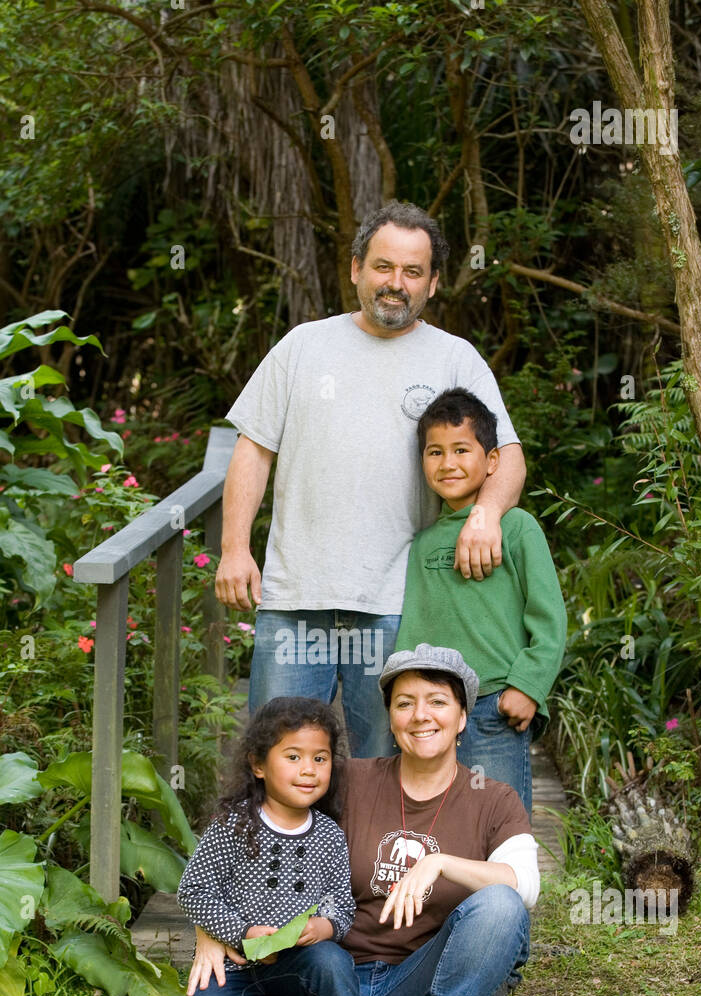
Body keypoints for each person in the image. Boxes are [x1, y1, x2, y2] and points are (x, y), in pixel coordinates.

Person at [21, 647, 538, 996]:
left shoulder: (492, 799)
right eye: (405, 702)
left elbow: (526, 886)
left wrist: (440, 863)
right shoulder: (350, 778)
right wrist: (213, 926)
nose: (420, 715)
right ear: (390, 716)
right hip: (326, 979)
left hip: (417, 982)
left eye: (437, 701)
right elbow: (259, 828)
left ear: (463, 715)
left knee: (500, 902)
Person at [215, 199, 527, 757]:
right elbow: (253, 450)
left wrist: (485, 514)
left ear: (432, 284)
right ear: (356, 268)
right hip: (294, 601)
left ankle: (372, 852)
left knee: (388, 770)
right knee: (278, 762)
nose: (395, 283)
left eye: (412, 272)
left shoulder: (455, 359)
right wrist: (234, 547)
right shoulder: (302, 347)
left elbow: (508, 455)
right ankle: (281, 851)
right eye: (383, 267)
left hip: (400, 606)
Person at [180, 697, 398, 996]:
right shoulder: (233, 825)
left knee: (335, 962)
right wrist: (239, 931)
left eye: (320, 758)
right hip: (234, 962)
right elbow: (194, 891)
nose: (308, 769)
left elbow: (342, 899)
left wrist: (327, 926)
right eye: (293, 756)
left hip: (296, 961)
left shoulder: (329, 835)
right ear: (258, 764)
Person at [394, 389, 567, 814]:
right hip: (433, 713)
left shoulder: (517, 527)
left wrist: (528, 686)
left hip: (494, 706)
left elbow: (550, 618)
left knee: (498, 823)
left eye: (461, 450)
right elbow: (414, 625)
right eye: (435, 452)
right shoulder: (423, 542)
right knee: (437, 822)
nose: (447, 463)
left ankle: (504, 886)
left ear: (492, 461)